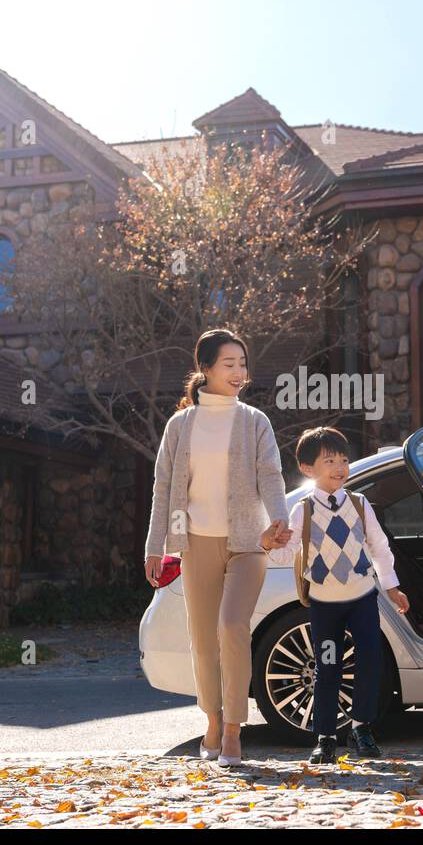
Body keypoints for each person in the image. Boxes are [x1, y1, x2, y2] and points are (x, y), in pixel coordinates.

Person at [144, 329, 290, 768]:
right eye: (229, 364)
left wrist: (278, 517)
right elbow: (164, 487)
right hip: (196, 543)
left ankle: (233, 729)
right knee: (203, 640)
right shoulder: (180, 425)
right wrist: (156, 546)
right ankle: (212, 718)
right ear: (205, 368)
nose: (239, 372)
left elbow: (271, 475)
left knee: (231, 626)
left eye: (243, 363)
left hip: (250, 543)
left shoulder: (254, 421)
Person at [260, 427, 409, 764]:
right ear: (308, 469)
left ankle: (361, 728)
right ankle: (325, 737)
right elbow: (286, 556)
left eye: (343, 459)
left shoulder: (359, 504)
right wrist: (269, 544)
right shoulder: (303, 511)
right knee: (327, 668)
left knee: (370, 661)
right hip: (325, 606)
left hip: (362, 599)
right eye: (330, 461)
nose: (340, 467)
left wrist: (392, 586)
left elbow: (379, 547)